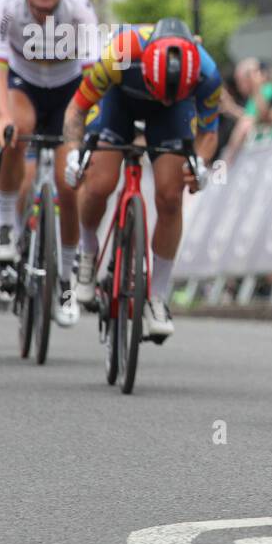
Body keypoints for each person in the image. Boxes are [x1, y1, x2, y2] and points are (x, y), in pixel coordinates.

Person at [62, 18, 221, 339]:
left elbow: (209, 134)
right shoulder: (120, 54)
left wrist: (201, 165)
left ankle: (158, 296)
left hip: (171, 118)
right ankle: (88, 252)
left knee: (170, 196)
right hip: (119, 102)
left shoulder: (207, 73)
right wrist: (74, 152)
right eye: (158, 92)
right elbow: (77, 110)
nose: (161, 98)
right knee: (99, 182)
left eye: (170, 94)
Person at [0, 0, 99, 323]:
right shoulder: (5, 8)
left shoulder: (81, 11)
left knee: (70, 184)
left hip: (69, 89)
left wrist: (86, 132)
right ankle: (4, 226)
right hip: (24, 84)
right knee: (18, 129)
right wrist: (0, 118)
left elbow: (92, 79)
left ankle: (65, 277)